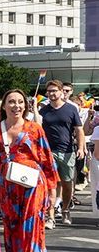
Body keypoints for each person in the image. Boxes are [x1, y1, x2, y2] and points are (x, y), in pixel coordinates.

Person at [0, 89, 58, 252]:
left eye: (20, 102)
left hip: (33, 186)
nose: (16, 106)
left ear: (25, 106)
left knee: (33, 232)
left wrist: (52, 191)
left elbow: (47, 160)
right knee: (12, 229)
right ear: (3, 106)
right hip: (7, 188)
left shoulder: (34, 129)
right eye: (11, 102)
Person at [39, 79, 85, 226]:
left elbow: (79, 130)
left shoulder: (71, 109)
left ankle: (65, 210)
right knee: (49, 184)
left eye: (54, 91)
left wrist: (81, 147)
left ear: (61, 92)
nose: (51, 93)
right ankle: (50, 216)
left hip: (67, 152)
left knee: (67, 184)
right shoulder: (43, 110)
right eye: (49, 91)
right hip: (48, 152)